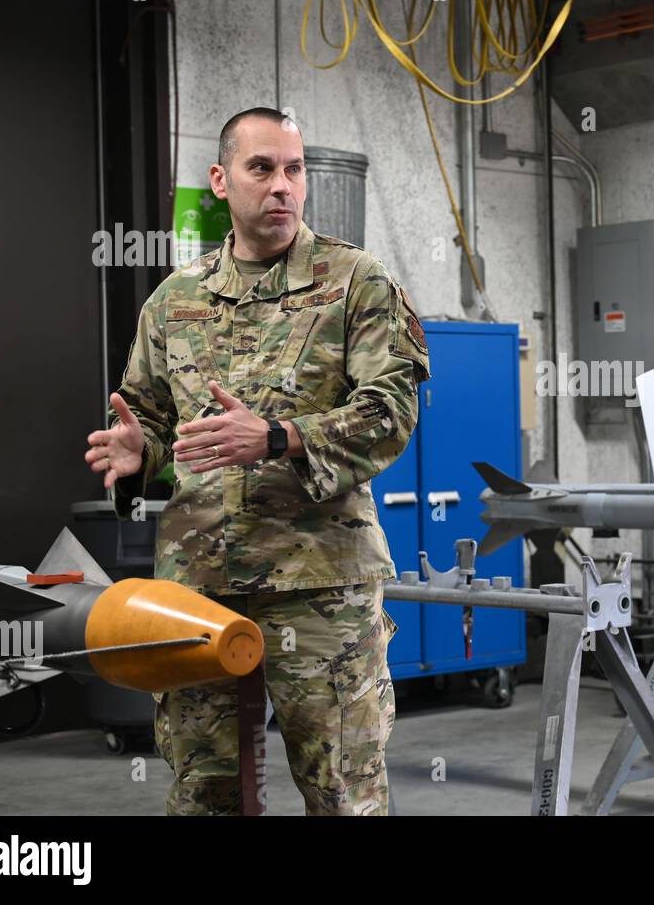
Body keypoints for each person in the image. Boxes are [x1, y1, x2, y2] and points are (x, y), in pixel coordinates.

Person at [84, 107, 429, 815]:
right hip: (199, 587)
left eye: (294, 170)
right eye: (261, 168)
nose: (282, 187)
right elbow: (153, 424)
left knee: (342, 790)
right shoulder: (174, 303)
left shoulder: (355, 282)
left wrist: (278, 436)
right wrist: (136, 452)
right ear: (220, 180)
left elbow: (392, 412)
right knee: (205, 791)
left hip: (320, 587)